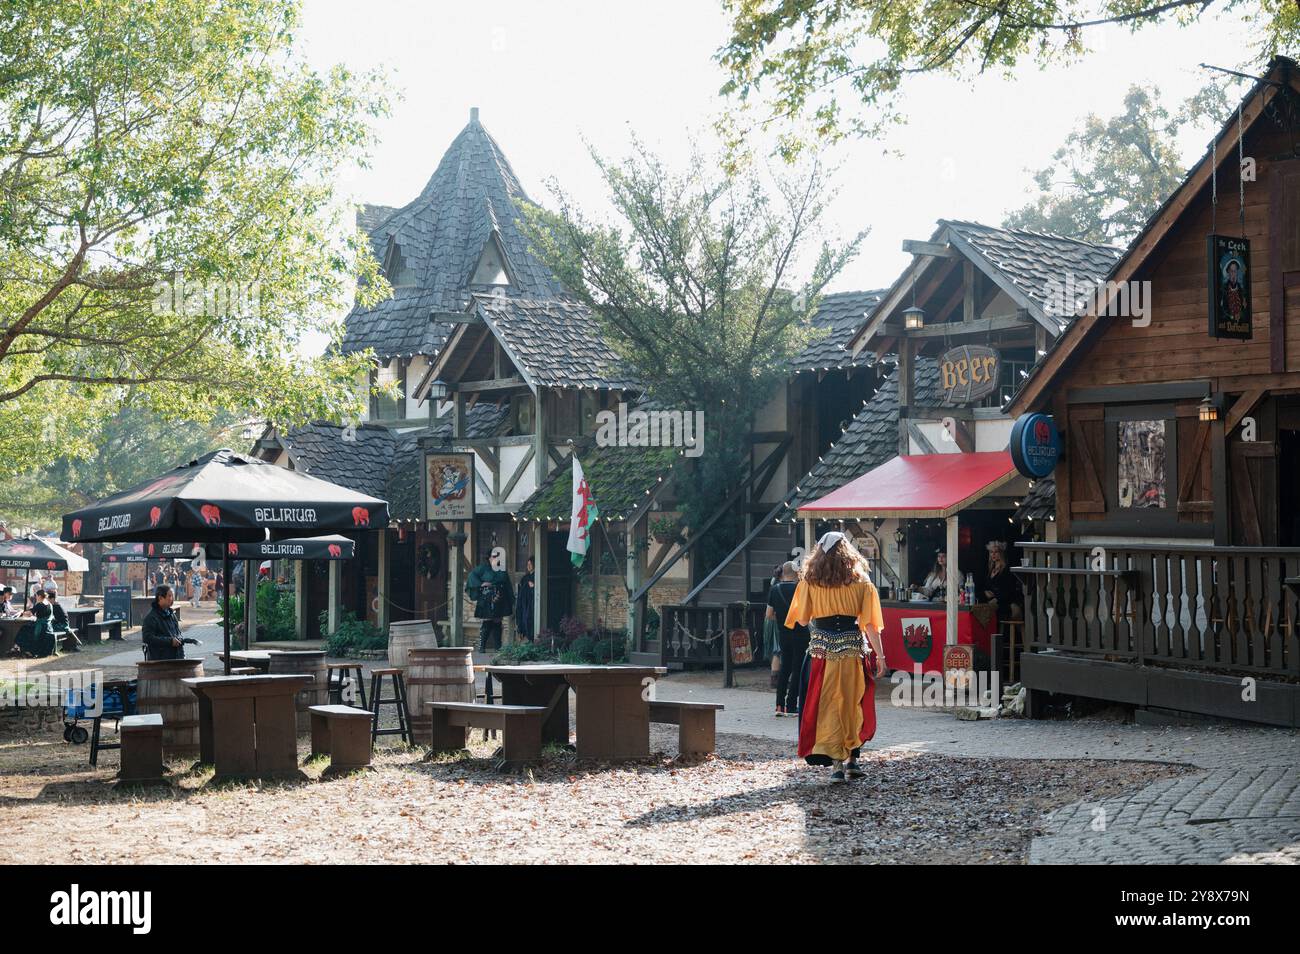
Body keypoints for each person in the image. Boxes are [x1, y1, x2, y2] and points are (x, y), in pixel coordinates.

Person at [785, 531, 887, 784]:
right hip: (853, 652)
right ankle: (853, 759)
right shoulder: (863, 582)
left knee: (829, 706)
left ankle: (837, 766)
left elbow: (802, 620)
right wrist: (881, 657)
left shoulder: (809, 582)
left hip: (822, 653)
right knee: (854, 704)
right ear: (848, 552)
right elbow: (871, 626)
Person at [767, 561, 808, 717]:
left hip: (783, 633)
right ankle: (791, 705)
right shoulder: (801, 588)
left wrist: (782, 617)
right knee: (798, 668)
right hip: (801, 633)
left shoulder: (774, 589)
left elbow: (768, 615)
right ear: (797, 573)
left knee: (785, 668)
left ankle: (779, 705)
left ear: (783, 572)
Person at [466, 552, 512, 652]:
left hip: (499, 597)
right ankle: (482, 647)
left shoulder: (501, 569)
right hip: (486, 597)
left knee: (497, 621)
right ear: (489, 558)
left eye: (497, 557)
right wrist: (481, 583)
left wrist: (510, 599)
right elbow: (471, 576)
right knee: (487, 621)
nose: (496, 559)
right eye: (494, 557)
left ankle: (498, 646)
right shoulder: (482, 568)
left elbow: (507, 583)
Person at [142, 584, 186, 660]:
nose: (172, 599)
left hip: (176, 658)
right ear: (160, 598)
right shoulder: (151, 617)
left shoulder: (172, 614)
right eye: (170, 596)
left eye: (172, 596)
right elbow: (147, 638)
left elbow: (177, 633)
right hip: (160, 661)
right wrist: (169, 641)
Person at [982, 541, 1023, 619]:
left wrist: (996, 596)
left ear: (1001, 553)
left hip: (1005, 603)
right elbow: (986, 586)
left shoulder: (1006, 570)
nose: (993, 554)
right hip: (991, 601)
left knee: (988, 610)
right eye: (991, 552)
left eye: (996, 552)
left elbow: (1009, 590)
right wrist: (985, 592)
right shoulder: (990, 570)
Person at [15, 588, 55, 657]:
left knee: (24, 629)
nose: (35, 598)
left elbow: (29, 614)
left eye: (36, 596)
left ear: (39, 596)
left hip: (41, 628)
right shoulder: (49, 604)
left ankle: (25, 649)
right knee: (27, 628)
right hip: (48, 627)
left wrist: (21, 612)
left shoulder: (40, 604)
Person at [515, 557, 535, 642]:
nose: (529, 566)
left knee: (529, 619)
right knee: (523, 619)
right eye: (528, 564)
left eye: (530, 564)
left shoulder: (536, 576)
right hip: (524, 603)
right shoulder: (525, 577)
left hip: (531, 602)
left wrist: (533, 587)